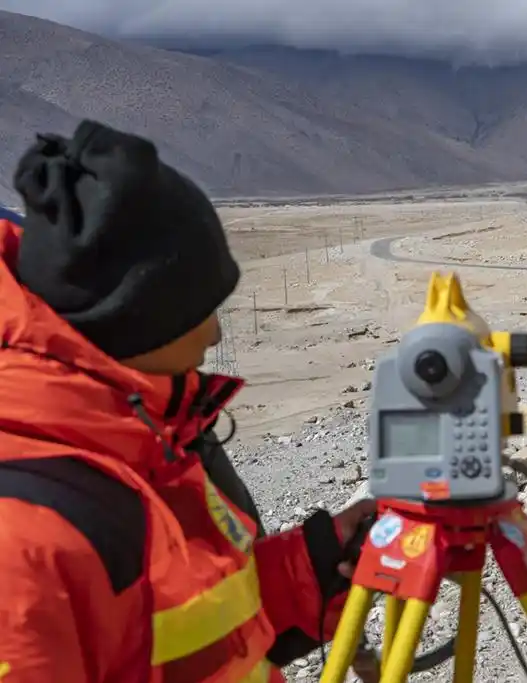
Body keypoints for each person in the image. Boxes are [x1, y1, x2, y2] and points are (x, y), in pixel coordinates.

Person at [0, 121, 375, 682]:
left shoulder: (147, 437)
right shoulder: (25, 538)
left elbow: (186, 631)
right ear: (140, 321)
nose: (217, 336)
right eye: (201, 310)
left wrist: (318, 564)